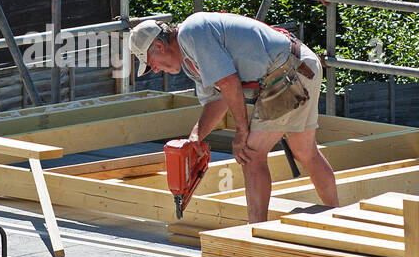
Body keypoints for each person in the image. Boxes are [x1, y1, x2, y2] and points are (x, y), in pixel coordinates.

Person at [129, 13, 339, 223]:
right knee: (305, 151)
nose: (155, 70)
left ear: (158, 45)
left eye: (151, 63)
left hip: (289, 71)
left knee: (250, 153)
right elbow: (217, 100)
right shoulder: (190, 62)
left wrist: (241, 132)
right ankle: (335, 217)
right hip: (299, 66)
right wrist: (195, 138)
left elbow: (229, 83)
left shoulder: (191, 33)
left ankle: (254, 232)